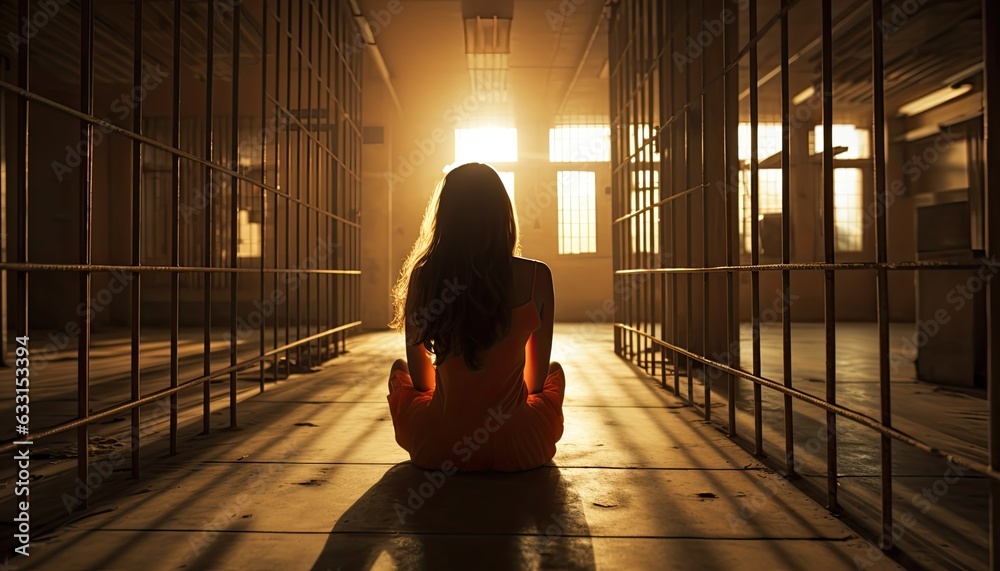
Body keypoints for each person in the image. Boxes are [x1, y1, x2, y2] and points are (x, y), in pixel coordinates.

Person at [386, 162, 565, 472]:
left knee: (399, 371)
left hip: (439, 450)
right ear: (503, 214)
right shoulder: (537, 276)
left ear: (445, 217)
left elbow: (422, 382)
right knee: (553, 372)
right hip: (521, 448)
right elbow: (534, 384)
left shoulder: (425, 277)